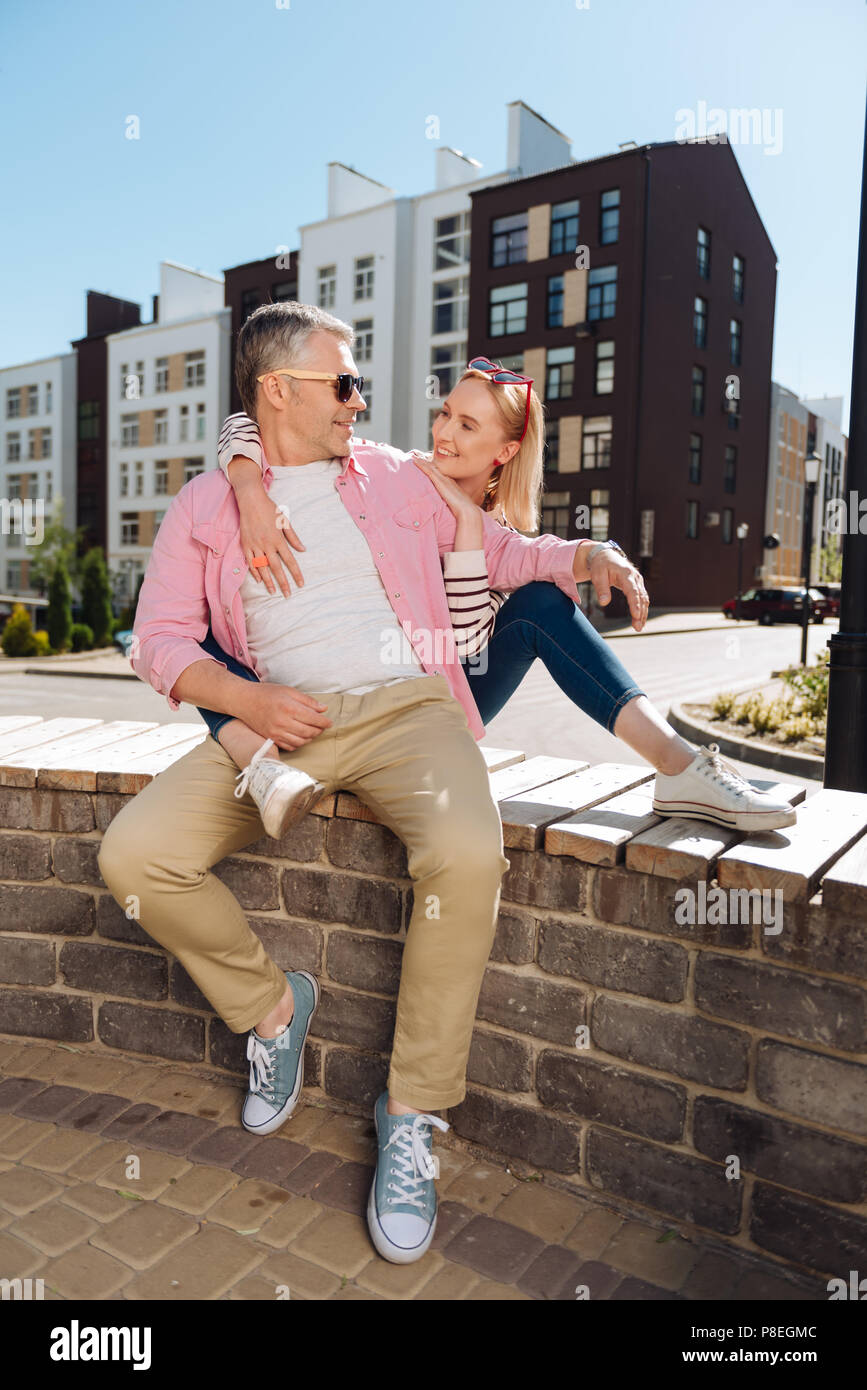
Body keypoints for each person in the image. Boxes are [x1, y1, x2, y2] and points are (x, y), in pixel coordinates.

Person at [98, 300, 645, 1267]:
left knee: (470, 853)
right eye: (342, 382)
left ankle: (412, 1111)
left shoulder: (393, 472)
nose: (360, 399)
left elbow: (501, 548)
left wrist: (583, 553)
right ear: (278, 392)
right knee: (135, 855)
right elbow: (158, 639)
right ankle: (272, 1009)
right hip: (281, 722)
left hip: (407, 711)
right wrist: (246, 700)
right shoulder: (205, 505)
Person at [212, 360, 798, 838]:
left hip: (445, 700)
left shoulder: (496, 534)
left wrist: (596, 553)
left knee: (541, 604)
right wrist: (247, 488)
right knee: (203, 625)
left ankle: (680, 768)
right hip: (363, 696)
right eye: (446, 414)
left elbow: (472, 639)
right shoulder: (394, 476)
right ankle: (683, 769)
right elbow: (245, 423)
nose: (443, 433)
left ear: (505, 451)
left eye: (468, 426)